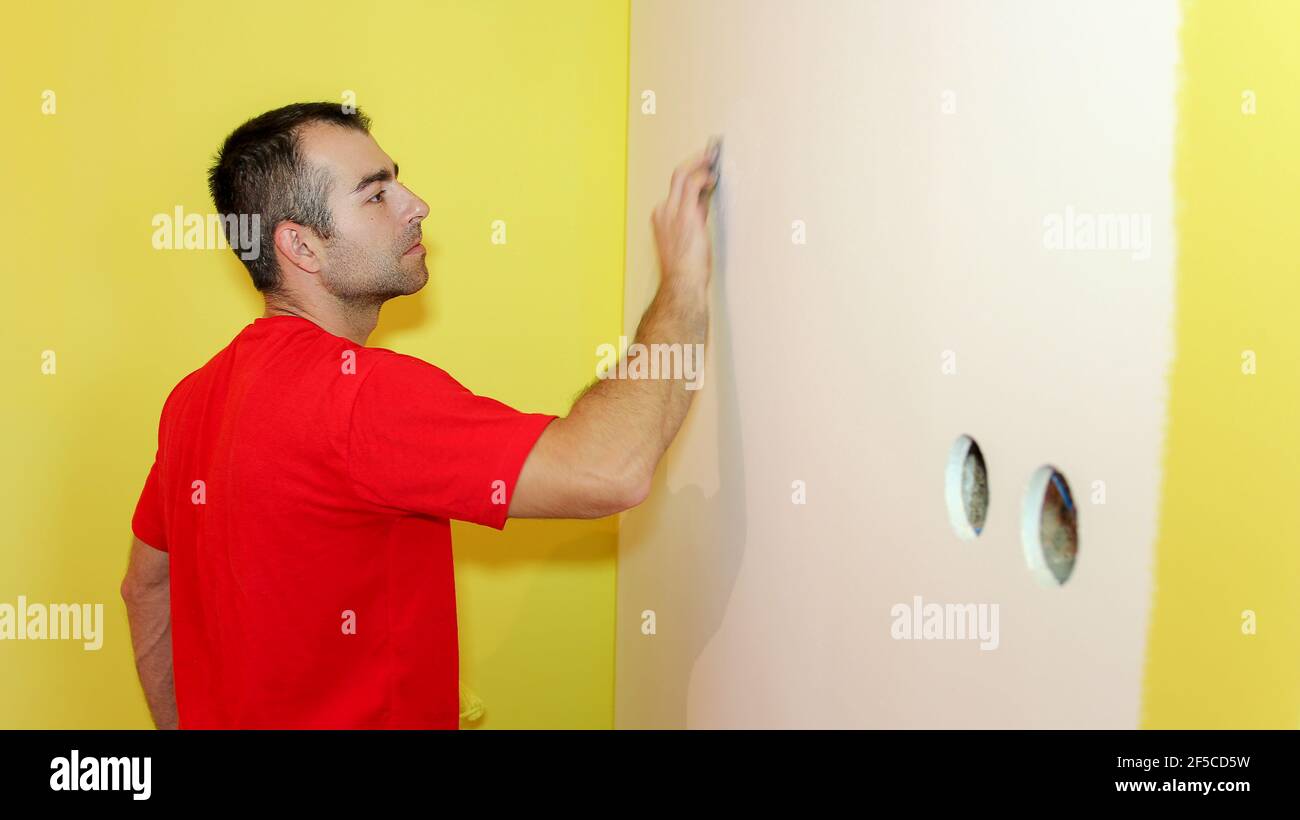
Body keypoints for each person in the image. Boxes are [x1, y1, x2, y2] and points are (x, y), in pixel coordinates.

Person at [119, 102, 718, 729]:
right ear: (301, 246)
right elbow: (609, 468)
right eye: (375, 195)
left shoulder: (191, 401)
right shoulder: (361, 398)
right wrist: (681, 283)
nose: (416, 204)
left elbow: (144, 588)